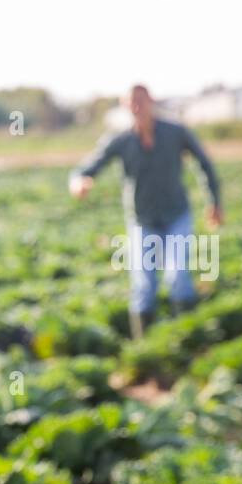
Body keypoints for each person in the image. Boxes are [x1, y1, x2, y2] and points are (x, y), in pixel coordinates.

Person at [69, 84, 224, 339]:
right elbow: (86, 168)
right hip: (143, 222)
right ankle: (147, 351)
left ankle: (186, 340)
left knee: (177, 277)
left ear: (152, 100)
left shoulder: (176, 132)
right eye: (133, 102)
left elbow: (204, 163)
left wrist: (215, 203)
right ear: (126, 106)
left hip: (177, 216)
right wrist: (79, 182)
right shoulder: (119, 140)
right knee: (143, 285)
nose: (138, 106)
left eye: (142, 100)